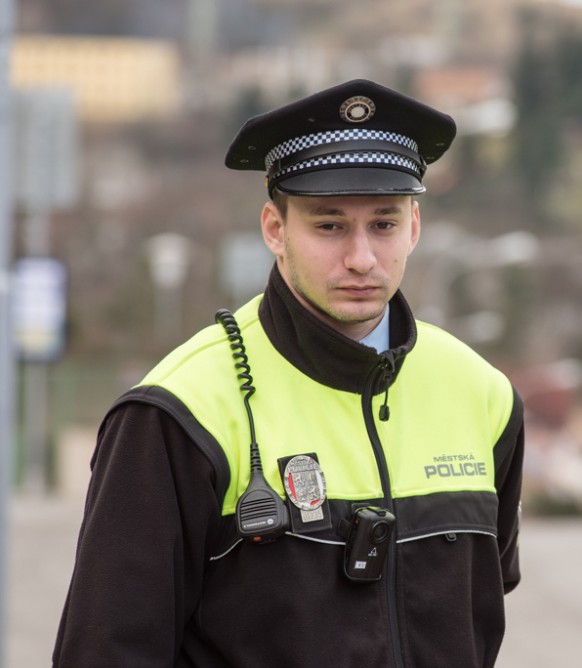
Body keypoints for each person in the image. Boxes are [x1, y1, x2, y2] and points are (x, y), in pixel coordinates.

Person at [54, 79, 524, 667]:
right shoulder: (178, 413)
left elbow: (481, 606)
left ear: (415, 226)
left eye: (383, 224)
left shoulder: (484, 395)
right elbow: (106, 649)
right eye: (330, 226)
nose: (361, 258)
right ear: (275, 230)